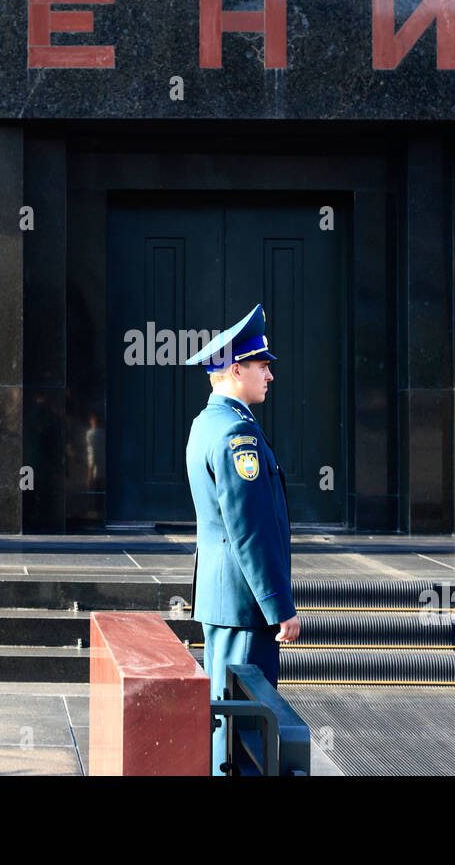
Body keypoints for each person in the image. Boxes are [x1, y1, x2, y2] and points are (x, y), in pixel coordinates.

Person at [183, 303, 297, 775]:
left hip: (225, 599)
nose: (269, 375)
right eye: (262, 366)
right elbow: (249, 530)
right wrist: (279, 606)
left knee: (228, 718)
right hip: (245, 606)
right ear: (236, 369)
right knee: (243, 732)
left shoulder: (208, 423)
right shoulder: (236, 434)